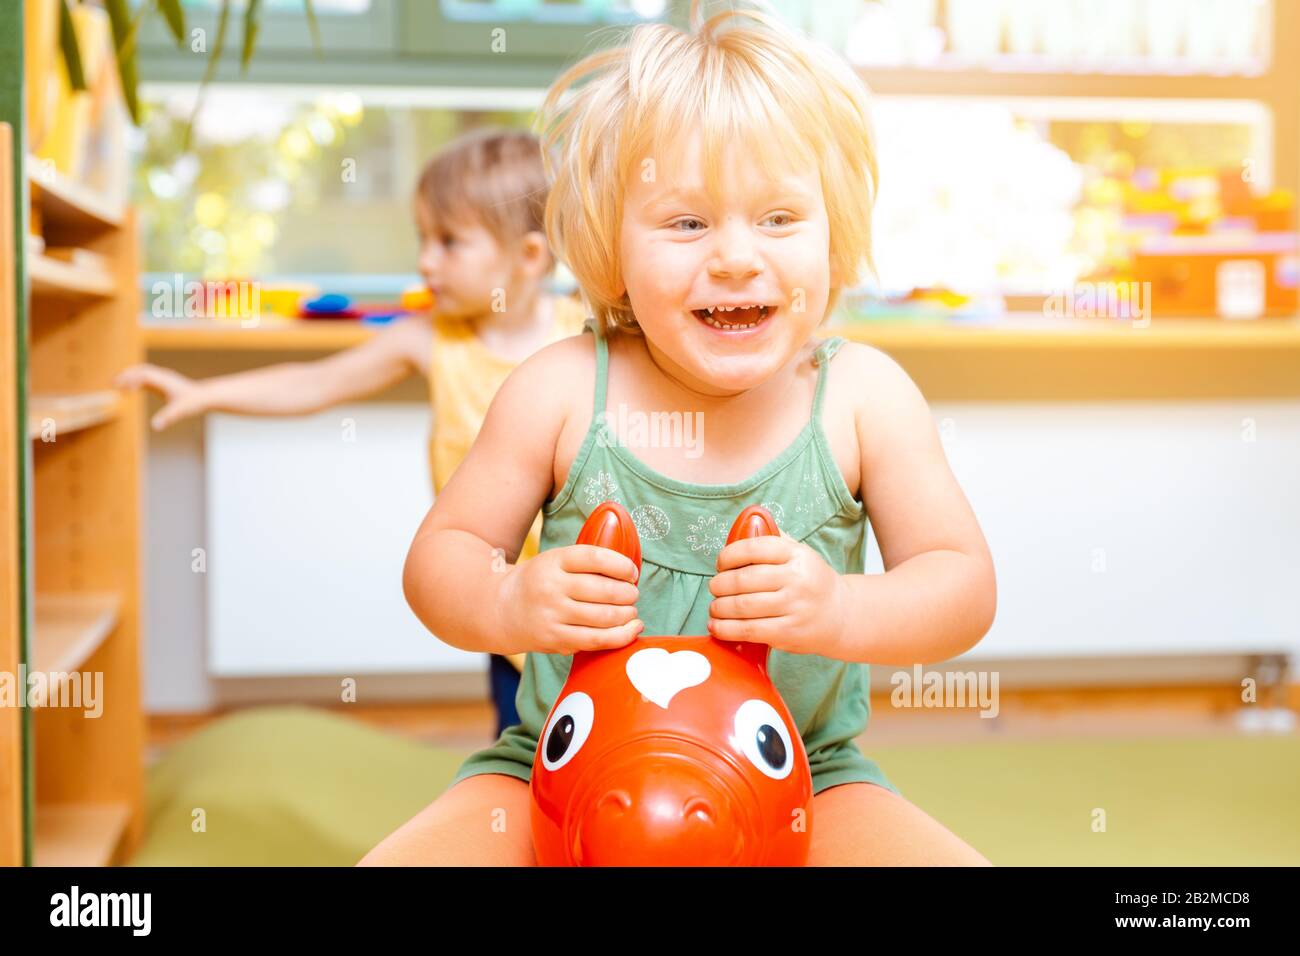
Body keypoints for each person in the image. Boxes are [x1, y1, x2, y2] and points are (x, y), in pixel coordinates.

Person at [361, 0, 997, 866]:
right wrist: (508, 598)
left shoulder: (862, 397)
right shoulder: (556, 391)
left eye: (778, 218)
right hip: (558, 767)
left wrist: (841, 608)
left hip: (806, 775)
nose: (736, 257)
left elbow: (961, 587)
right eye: (687, 222)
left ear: (835, 238)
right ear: (608, 245)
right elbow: (440, 561)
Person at [117, 128, 584, 736]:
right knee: (524, 755)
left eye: (449, 242)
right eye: (423, 239)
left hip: (583, 596)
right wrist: (205, 393)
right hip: (500, 614)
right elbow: (314, 384)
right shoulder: (428, 338)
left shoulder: (585, 334)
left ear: (527, 257)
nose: (425, 261)